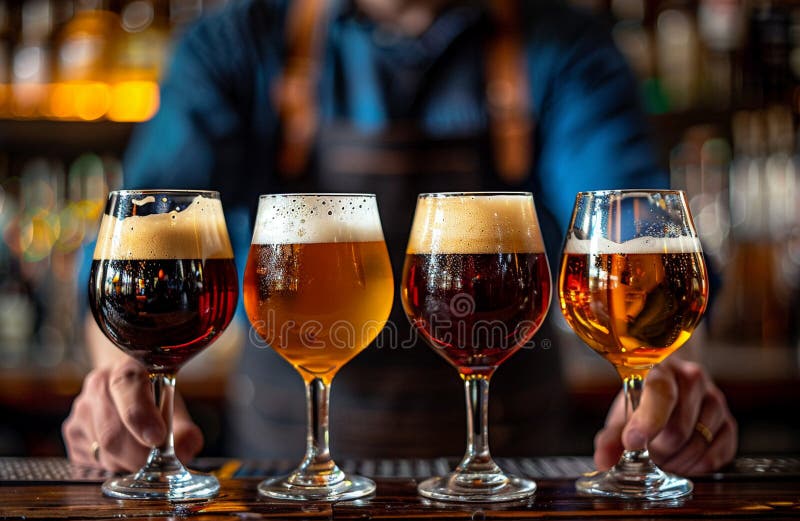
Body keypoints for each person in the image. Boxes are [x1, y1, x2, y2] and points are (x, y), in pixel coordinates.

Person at [63, 0, 737, 474]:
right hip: (281, 486)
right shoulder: (237, 41)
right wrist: (121, 390)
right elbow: (135, 243)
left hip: (516, 484)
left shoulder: (562, 45)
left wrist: (663, 385)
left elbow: (639, 236)